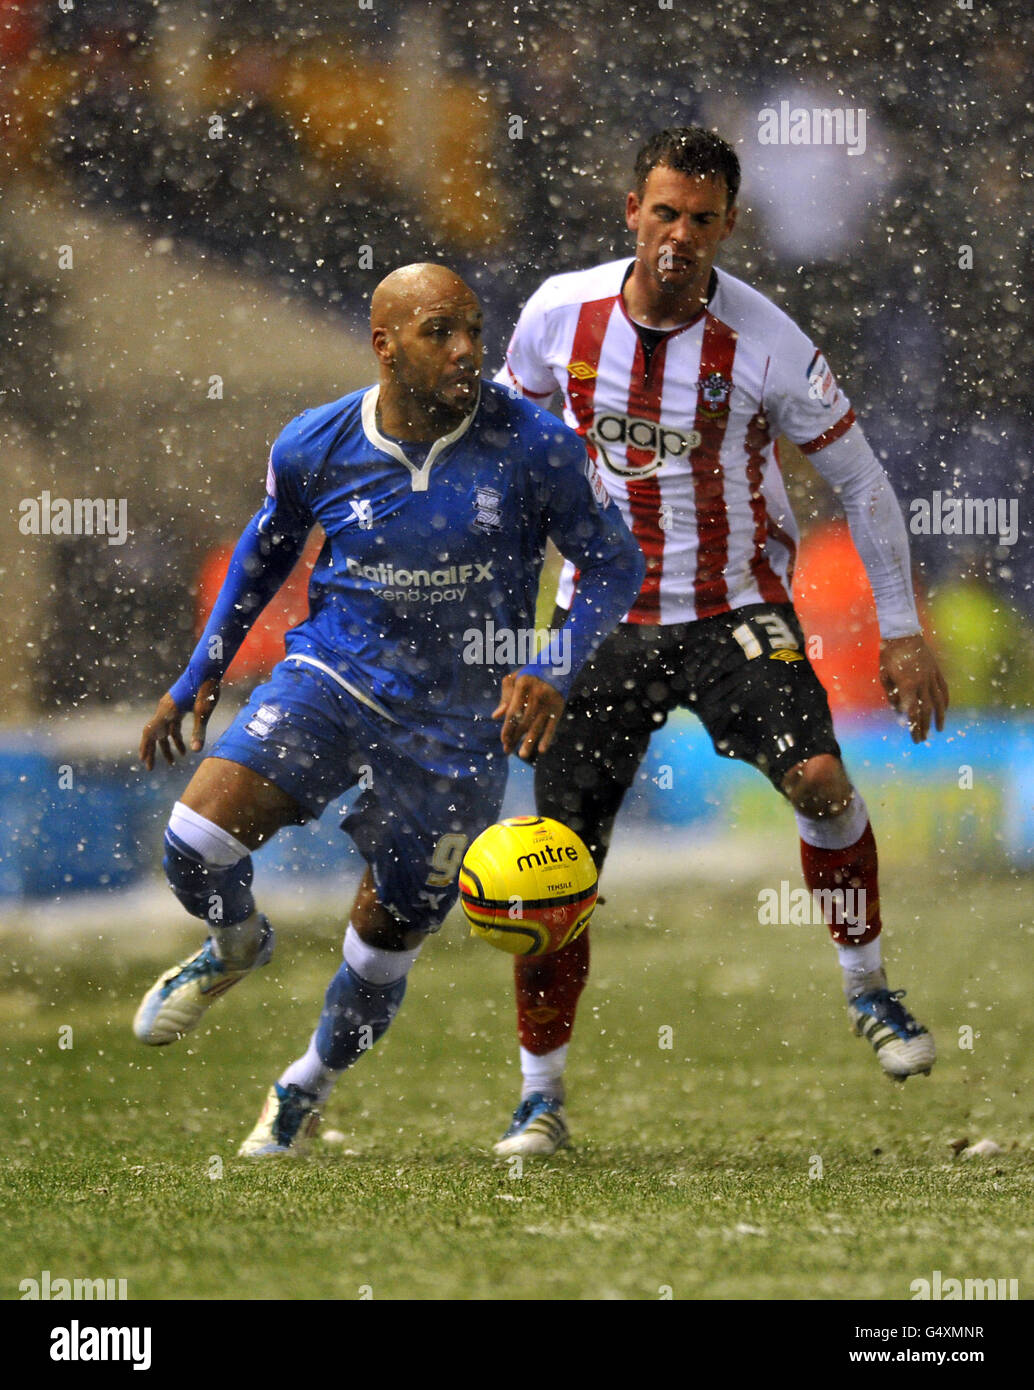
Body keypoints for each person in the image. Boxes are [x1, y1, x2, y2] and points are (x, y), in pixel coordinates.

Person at [491, 128, 950, 1158]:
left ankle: (868, 988)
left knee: (822, 779)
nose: (678, 236)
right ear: (630, 212)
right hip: (598, 622)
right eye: (663, 213)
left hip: (731, 610)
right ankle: (538, 1097)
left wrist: (903, 631)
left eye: (700, 220)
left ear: (725, 228)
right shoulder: (555, 315)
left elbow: (864, 482)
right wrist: (515, 639)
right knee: (556, 866)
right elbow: (510, 467)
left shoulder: (770, 345)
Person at [133, 263, 644, 1157]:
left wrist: (553, 663)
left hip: (458, 729)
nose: (467, 353)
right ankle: (237, 942)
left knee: (381, 950)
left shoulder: (536, 445)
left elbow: (613, 563)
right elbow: (264, 551)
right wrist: (198, 675)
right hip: (336, 679)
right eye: (440, 333)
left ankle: (305, 1086)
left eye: (475, 331)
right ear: (384, 345)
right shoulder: (314, 444)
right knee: (195, 841)